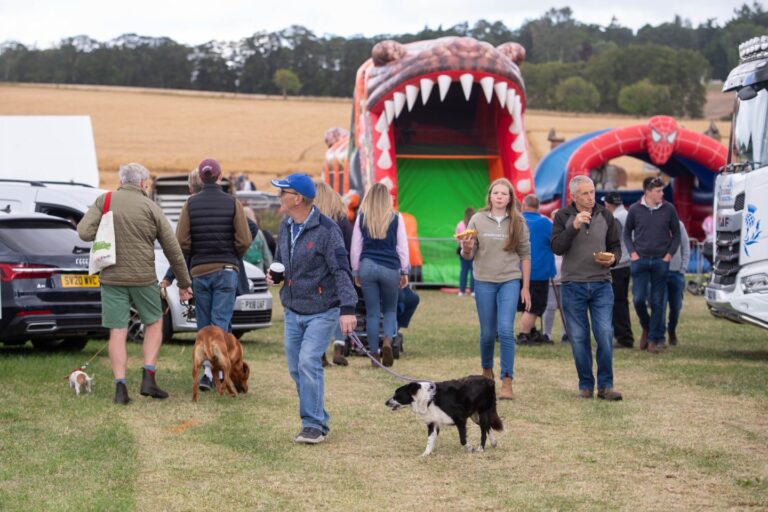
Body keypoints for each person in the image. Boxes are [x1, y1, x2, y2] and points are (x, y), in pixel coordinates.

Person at [77, 162, 192, 405]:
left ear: (121, 181)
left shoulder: (104, 201)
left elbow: (84, 233)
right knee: (154, 322)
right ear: (142, 184)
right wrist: (183, 282)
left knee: (117, 331)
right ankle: (148, 377)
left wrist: (107, 226)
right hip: (143, 277)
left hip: (111, 276)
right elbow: (173, 248)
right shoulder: (151, 206)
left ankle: (120, 388)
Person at [269, 173, 357, 444]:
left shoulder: (328, 230)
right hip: (293, 309)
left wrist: (348, 308)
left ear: (298, 198)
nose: (278, 196)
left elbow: (341, 269)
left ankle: (312, 425)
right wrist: (276, 276)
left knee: (308, 363)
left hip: (322, 309)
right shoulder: (285, 226)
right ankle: (317, 417)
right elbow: (280, 260)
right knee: (297, 369)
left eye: (283, 192)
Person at [176, 159, 252, 390]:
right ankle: (216, 374)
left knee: (204, 325)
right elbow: (244, 239)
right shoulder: (233, 203)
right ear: (220, 177)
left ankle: (208, 373)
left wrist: (196, 253)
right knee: (220, 324)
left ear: (201, 178)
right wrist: (232, 254)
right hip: (226, 270)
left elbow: (181, 240)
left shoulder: (190, 204)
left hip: (200, 270)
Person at [551, 175, 623, 401]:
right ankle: (585, 385)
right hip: (573, 285)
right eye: (585, 193)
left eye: (592, 192)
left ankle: (606, 386)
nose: (590, 197)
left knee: (604, 333)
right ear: (574, 196)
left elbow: (616, 247)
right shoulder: (563, 216)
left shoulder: (606, 215)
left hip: (602, 283)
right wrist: (573, 226)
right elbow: (557, 247)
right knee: (580, 337)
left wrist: (613, 260)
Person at [459, 178, 531, 400]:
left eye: (504, 193)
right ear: (489, 196)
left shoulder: (518, 221)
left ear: (510, 198)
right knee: (488, 333)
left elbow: (525, 255)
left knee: (506, 331)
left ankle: (507, 380)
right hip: (483, 280)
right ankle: (486, 371)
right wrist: (466, 247)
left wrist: (525, 287)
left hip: (509, 280)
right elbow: (467, 254)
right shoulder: (477, 220)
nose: (499, 196)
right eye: (495, 193)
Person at [350, 183, 410, 367]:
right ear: (386, 199)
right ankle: (387, 342)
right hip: (390, 267)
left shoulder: (361, 218)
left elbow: (355, 248)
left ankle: (374, 354)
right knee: (390, 310)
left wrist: (356, 271)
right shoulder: (396, 218)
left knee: (372, 313)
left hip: (368, 266)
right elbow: (402, 247)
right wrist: (405, 270)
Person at [624, 176, 681, 354]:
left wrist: (668, 255)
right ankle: (647, 327)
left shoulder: (669, 209)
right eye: (658, 191)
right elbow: (627, 234)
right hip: (640, 260)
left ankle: (652, 340)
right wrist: (632, 252)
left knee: (658, 301)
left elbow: (676, 235)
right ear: (648, 192)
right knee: (639, 299)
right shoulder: (634, 209)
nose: (662, 194)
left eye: (662, 190)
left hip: (660, 261)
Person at [314, 181, 353, 367]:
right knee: (339, 309)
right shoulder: (341, 219)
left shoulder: (312, 221)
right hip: (338, 270)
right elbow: (350, 245)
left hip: (317, 273)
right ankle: (338, 347)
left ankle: (320, 352)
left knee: (320, 313)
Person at [516, 194, 555, 345]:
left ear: (524, 205)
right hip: (539, 270)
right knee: (534, 306)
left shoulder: (517, 221)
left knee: (526, 305)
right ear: (538, 207)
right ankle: (524, 334)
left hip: (518, 269)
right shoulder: (546, 223)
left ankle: (530, 331)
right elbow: (555, 242)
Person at [601, 191, 635, 349]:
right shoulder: (626, 214)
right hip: (626, 263)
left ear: (608, 205)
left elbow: (612, 240)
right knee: (621, 301)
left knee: (617, 302)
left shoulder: (615, 219)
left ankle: (624, 337)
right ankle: (624, 335)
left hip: (618, 264)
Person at [662, 221, 690, 347]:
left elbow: (686, 248)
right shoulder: (655, 223)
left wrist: (682, 269)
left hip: (676, 273)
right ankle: (659, 336)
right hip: (660, 272)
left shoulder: (679, 225)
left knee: (676, 307)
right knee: (659, 306)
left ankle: (671, 329)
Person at [243, 206, 273, 274]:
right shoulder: (259, 233)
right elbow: (266, 254)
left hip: (244, 269)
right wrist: (270, 271)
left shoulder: (239, 232)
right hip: (258, 269)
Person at [455, 207, 475, 296]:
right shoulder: (475, 224)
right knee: (473, 271)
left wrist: (461, 241)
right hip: (473, 251)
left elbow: (456, 237)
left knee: (463, 271)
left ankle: (461, 291)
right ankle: (473, 291)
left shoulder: (460, 224)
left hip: (463, 251)